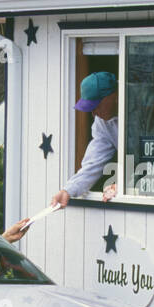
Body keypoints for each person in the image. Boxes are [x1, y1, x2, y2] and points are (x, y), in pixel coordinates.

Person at [52, 71, 119, 207]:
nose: (94, 113)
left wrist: (127, 186)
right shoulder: (101, 122)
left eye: (96, 106)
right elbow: (94, 162)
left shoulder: (147, 104)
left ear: (114, 96)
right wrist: (68, 190)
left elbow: (151, 156)